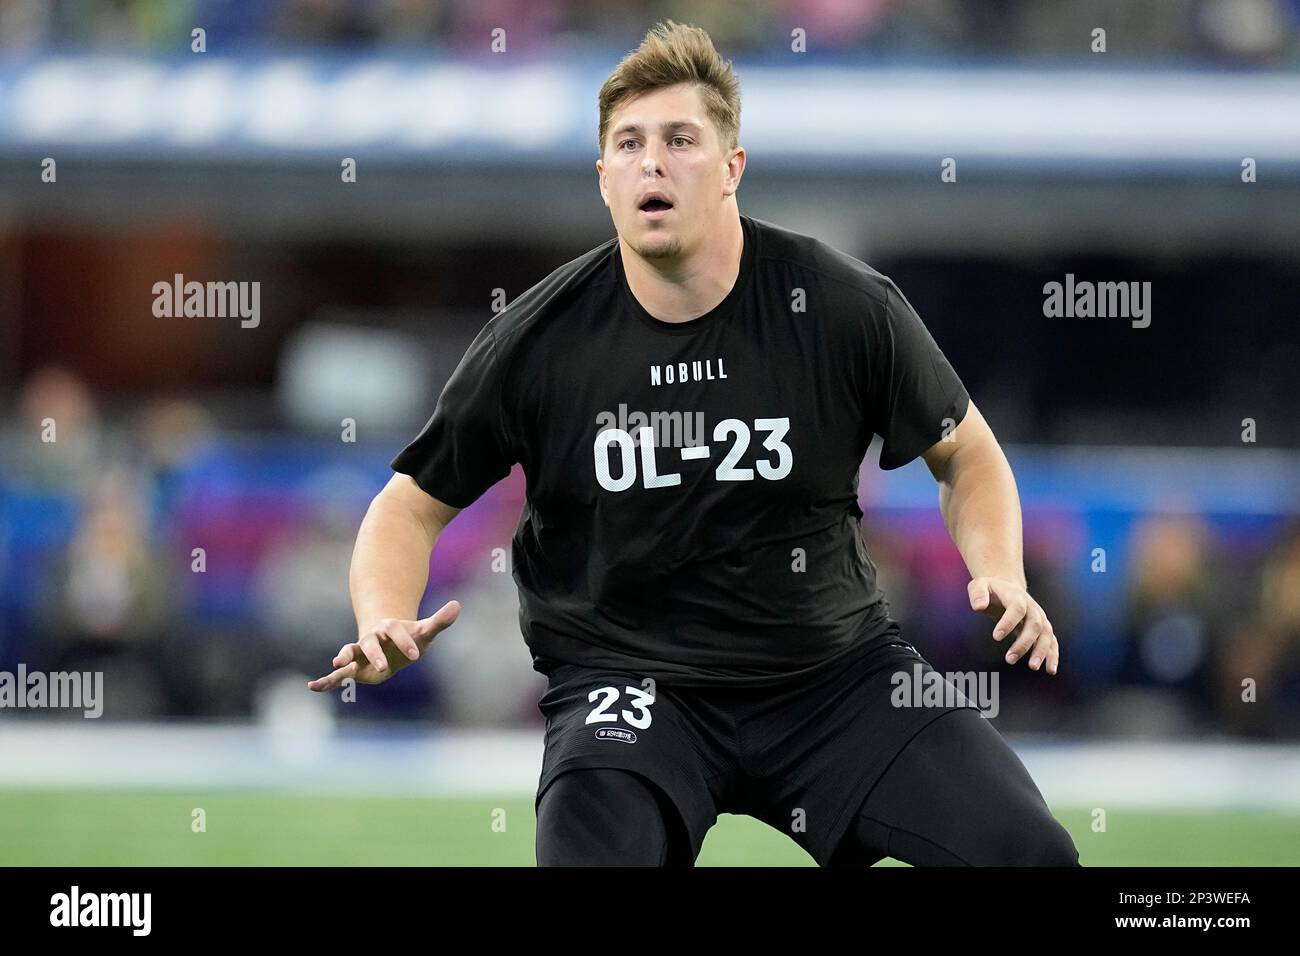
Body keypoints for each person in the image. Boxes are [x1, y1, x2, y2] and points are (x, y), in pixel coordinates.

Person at [309, 20, 1079, 868]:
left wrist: (997, 569)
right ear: (603, 179)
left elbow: (965, 453)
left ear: (732, 169)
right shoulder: (537, 340)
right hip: (628, 685)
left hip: (831, 676)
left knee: (1031, 854)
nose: (653, 163)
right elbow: (410, 505)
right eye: (629, 145)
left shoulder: (840, 307)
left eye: (681, 140)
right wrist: (382, 615)